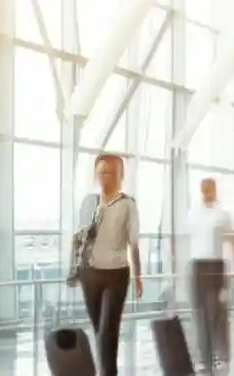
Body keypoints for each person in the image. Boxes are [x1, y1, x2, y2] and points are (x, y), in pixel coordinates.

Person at [76, 154, 143, 376]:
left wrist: (138, 276)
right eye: (101, 172)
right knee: (99, 331)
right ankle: (105, 369)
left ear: (120, 175)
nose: (105, 177)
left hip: (116, 274)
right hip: (90, 274)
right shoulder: (90, 203)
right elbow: (79, 237)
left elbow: (133, 243)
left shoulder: (127, 204)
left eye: (110, 172)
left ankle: (107, 373)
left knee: (107, 331)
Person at [186, 177, 234, 374]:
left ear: (215, 190)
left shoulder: (222, 215)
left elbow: (233, 241)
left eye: (210, 189)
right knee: (200, 314)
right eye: (204, 189)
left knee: (216, 313)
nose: (207, 192)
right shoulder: (192, 214)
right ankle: (204, 357)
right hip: (197, 267)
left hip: (216, 266)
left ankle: (220, 355)